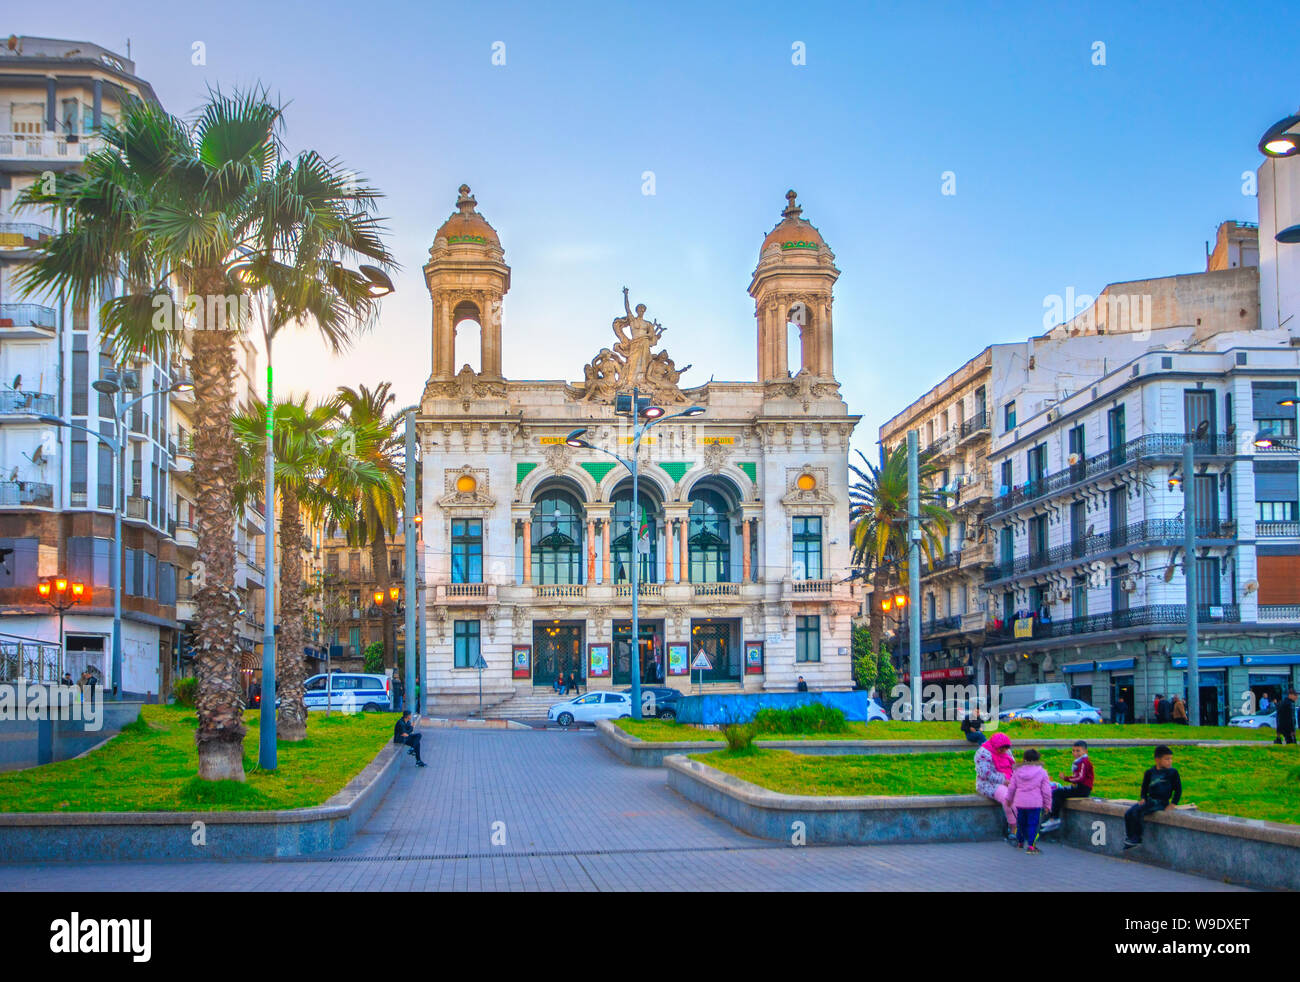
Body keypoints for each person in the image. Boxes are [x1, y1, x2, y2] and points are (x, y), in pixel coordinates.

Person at [1123, 746, 1181, 848]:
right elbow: (1144, 787)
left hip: (1161, 802)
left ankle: (1137, 838)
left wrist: (1173, 804)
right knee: (1128, 813)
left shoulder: (1172, 773)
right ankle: (1130, 836)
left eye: (1171, 759)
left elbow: (1178, 789)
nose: (1170, 761)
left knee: (1138, 812)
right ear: (1157, 760)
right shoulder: (1149, 772)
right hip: (1150, 800)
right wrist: (1143, 798)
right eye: (1167, 759)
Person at [1041, 740, 1093, 832]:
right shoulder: (1080, 761)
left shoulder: (1084, 762)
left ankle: (1055, 818)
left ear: (1085, 752)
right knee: (1060, 792)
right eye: (1073, 750)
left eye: (1078, 751)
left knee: (1058, 792)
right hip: (1079, 788)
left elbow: (1080, 778)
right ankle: (1054, 817)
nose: (1075, 753)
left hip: (1082, 789)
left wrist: (1066, 778)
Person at [974, 731, 1018, 842]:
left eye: (1005, 749)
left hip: (1009, 781)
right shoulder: (983, 753)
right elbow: (984, 773)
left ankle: (1021, 824)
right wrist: (1004, 780)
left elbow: (1013, 766)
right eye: (1001, 749)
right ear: (995, 746)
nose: (1003, 752)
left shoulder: (1007, 752)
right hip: (989, 784)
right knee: (1007, 797)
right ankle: (1012, 827)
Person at [1008, 748, 1053, 854]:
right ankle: (1031, 846)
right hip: (1035, 804)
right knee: (1033, 824)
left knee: (1021, 823)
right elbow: (1046, 791)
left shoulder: (1017, 771)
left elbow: (1011, 787)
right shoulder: (1042, 772)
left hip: (1020, 803)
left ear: (1024, 759)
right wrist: (1048, 805)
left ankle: (1020, 842)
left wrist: (1009, 799)